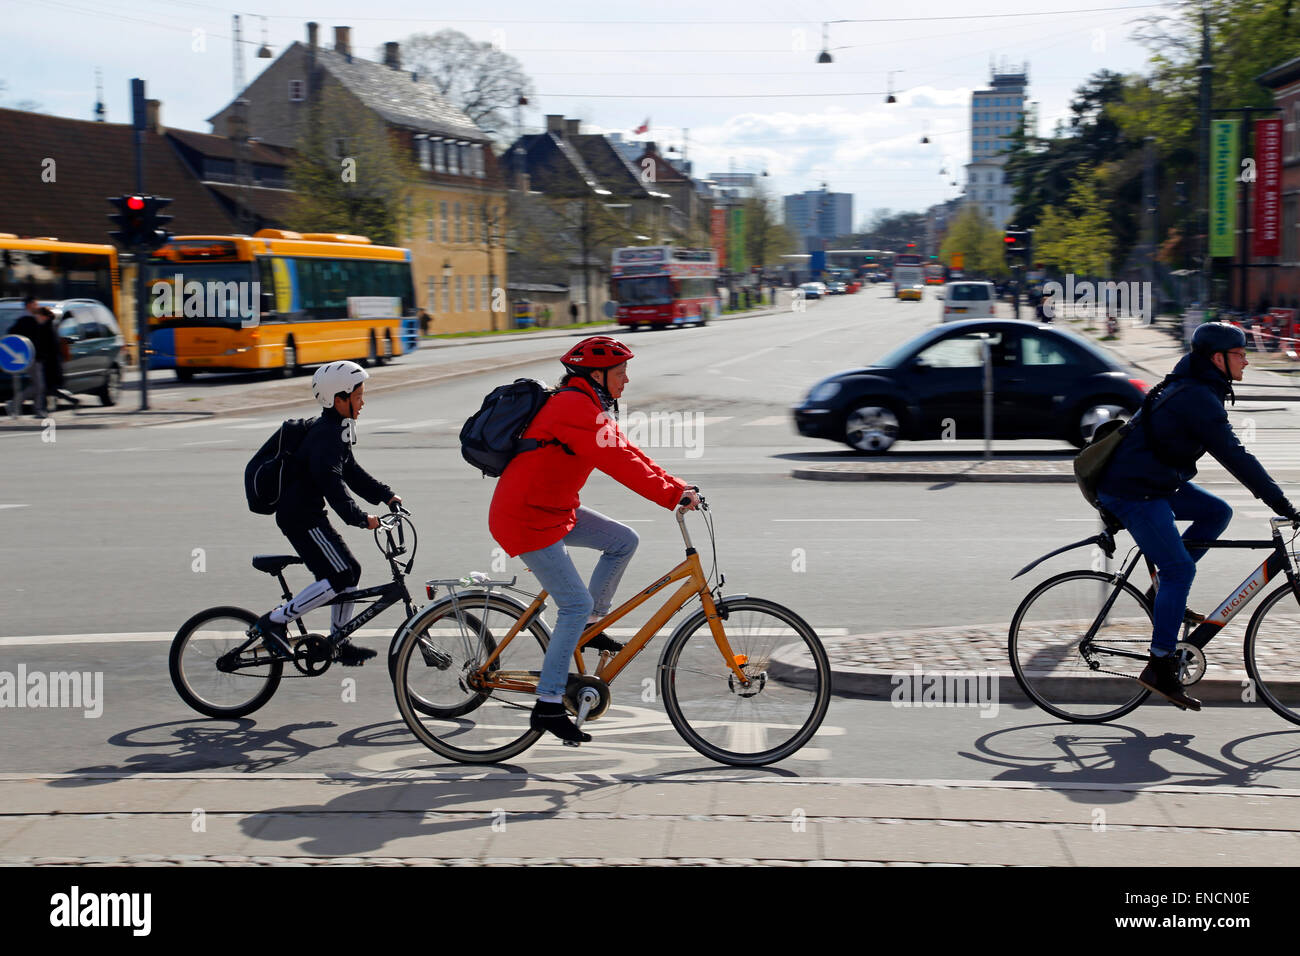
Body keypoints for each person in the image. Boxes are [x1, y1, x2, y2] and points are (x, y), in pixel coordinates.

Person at [488, 336, 700, 744]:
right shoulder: (572, 407)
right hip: (526, 519)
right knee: (573, 601)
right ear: (596, 375)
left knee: (623, 540)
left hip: (555, 511)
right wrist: (671, 496)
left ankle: (588, 625)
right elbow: (621, 464)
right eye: (620, 372)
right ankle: (548, 704)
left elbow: (629, 451)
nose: (626, 380)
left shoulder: (586, 405)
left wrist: (678, 486)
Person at [1096, 322, 1300, 711]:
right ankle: (1159, 667)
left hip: (1154, 481)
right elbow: (1236, 457)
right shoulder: (1197, 398)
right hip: (1132, 490)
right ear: (1217, 358)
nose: (1246, 361)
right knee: (1180, 572)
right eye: (1240, 354)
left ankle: (1160, 595)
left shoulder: (1198, 388)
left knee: (1216, 511)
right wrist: (1284, 505)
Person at [250, 360, 402, 666]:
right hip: (301, 519)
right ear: (339, 399)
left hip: (309, 517)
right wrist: (359, 518)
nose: (363, 403)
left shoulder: (335, 430)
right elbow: (331, 483)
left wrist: (386, 496)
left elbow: (352, 472)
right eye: (358, 396)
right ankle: (276, 620)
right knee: (339, 575)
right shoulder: (326, 435)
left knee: (350, 572)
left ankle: (338, 641)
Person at [8, 296, 56, 417]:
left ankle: (17, 404)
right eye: (35, 304)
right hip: (30, 357)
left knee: (37, 385)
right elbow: (13, 335)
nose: (37, 306)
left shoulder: (35, 318)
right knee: (39, 385)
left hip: (36, 356)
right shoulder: (25, 320)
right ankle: (34, 409)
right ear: (29, 305)